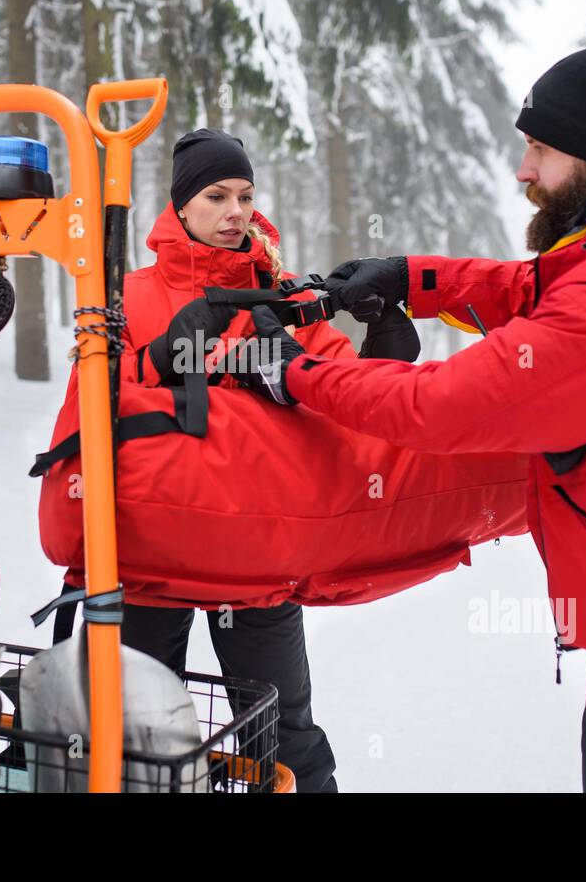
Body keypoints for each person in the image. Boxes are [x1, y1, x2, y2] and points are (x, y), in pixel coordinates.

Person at [238, 46, 586, 792]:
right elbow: (542, 289)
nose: (524, 170)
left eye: (540, 149)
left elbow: (442, 405)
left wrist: (301, 373)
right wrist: (415, 279)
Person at [115, 127, 356, 792]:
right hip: (152, 542)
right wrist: (160, 358)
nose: (236, 211)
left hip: (256, 544)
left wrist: (386, 356)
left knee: (281, 736)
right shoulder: (130, 295)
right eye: (217, 195)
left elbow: (344, 385)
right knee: (142, 730)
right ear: (181, 207)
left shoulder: (279, 293)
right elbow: (95, 397)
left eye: (246, 196)